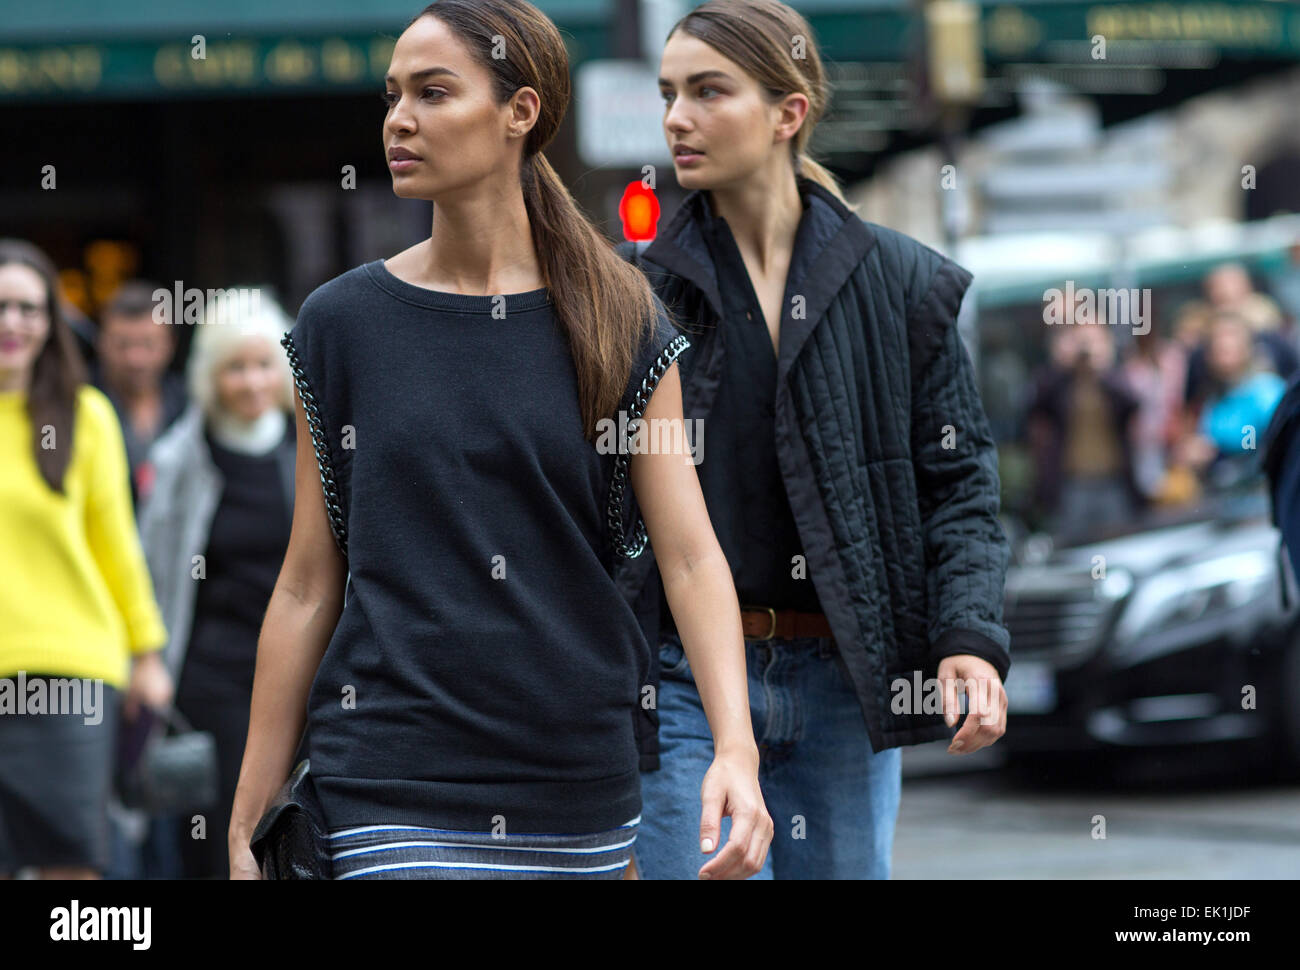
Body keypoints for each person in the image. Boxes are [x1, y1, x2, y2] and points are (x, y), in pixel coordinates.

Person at [228, 0, 772, 881]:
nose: (399, 119)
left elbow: (690, 556)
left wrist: (735, 753)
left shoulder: (621, 317)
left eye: (434, 93)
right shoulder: (341, 325)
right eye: (393, 94)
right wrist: (248, 815)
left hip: (579, 792)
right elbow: (304, 582)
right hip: (387, 783)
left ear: (520, 113)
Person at [616, 0, 1009, 880]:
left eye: (709, 92)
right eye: (669, 93)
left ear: (788, 112)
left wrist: (969, 638)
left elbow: (961, 484)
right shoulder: (636, 294)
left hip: (845, 681)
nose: (677, 118)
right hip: (679, 681)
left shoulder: (906, 285)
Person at [0, 239, 173, 879]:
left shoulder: (87, 416)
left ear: (50, 321)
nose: (11, 322)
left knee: (70, 870)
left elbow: (116, 547)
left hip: (70, 678)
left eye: (27, 307)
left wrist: (147, 654)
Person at [137, 292, 298, 878]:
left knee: (295, 828)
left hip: (300, 668)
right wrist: (146, 658)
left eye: (263, 364)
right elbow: (150, 566)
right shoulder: (183, 456)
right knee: (219, 837)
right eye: (236, 367)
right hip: (215, 673)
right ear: (211, 375)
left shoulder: (307, 449)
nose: (253, 382)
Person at [1026, 318, 1145, 539]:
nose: (1086, 349)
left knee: (1118, 543)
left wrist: (1103, 368)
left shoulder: (1113, 380)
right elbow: (1036, 406)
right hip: (1074, 483)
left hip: (1113, 481)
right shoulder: (1062, 383)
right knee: (1073, 545)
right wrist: (1062, 364)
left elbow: (1132, 403)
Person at [91, 281, 189, 506]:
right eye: (122, 345)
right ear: (101, 343)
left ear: (170, 344)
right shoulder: (78, 404)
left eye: (148, 344)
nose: (135, 359)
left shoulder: (191, 404)